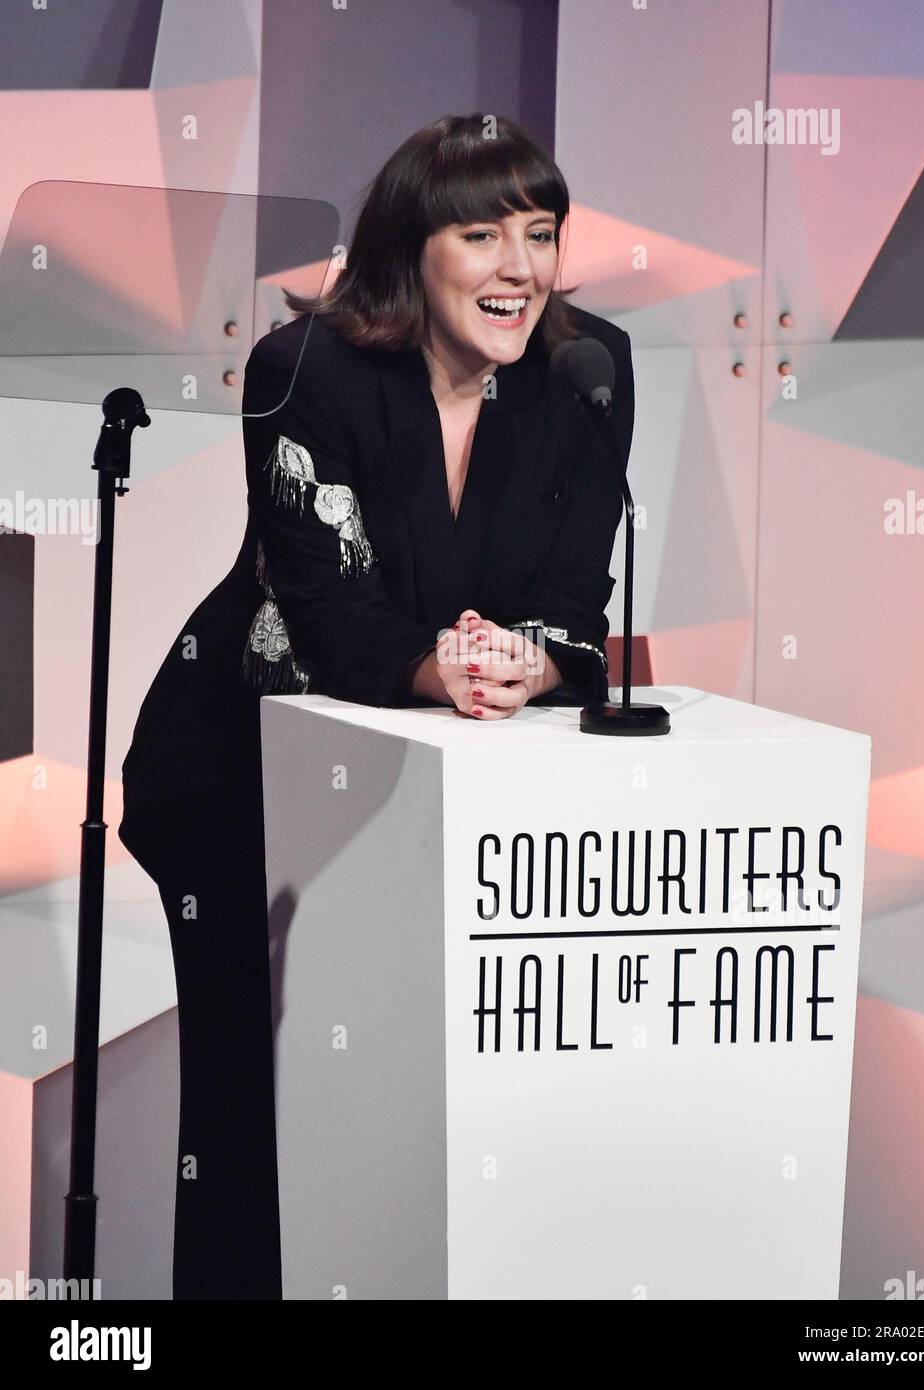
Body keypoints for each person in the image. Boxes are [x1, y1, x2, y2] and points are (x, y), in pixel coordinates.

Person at [117, 112, 635, 1300]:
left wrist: (536, 666)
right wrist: (441, 669)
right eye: (481, 235)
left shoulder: (586, 371)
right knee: (259, 1112)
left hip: (425, 801)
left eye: (540, 235)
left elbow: (571, 600)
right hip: (240, 780)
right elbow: (326, 613)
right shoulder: (310, 369)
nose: (519, 268)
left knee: (405, 1124)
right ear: (412, 248)